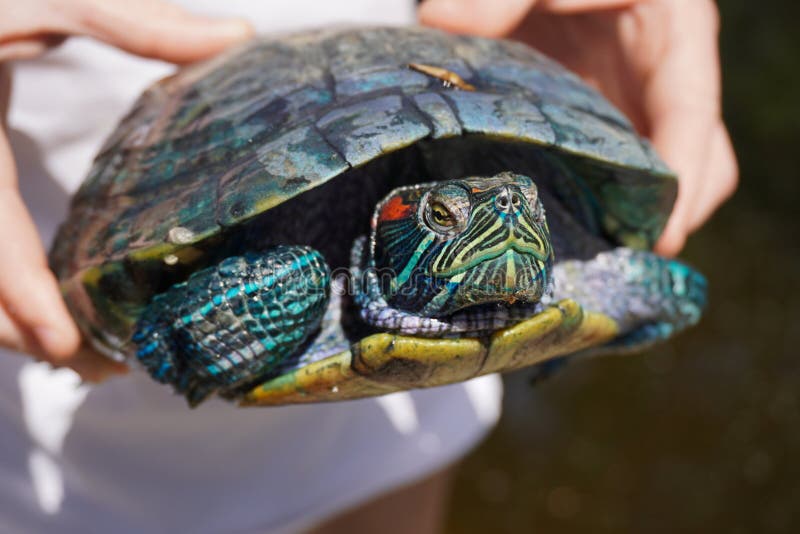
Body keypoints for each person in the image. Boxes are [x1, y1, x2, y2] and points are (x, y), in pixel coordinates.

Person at [0, 0, 736, 532]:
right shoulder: (303, 275)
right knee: (286, 280)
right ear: (385, 232)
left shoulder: (524, 231)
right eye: (445, 220)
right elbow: (164, 319)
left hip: (400, 445)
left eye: (522, 212)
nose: (507, 223)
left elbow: (630, 271)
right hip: (55, 447)